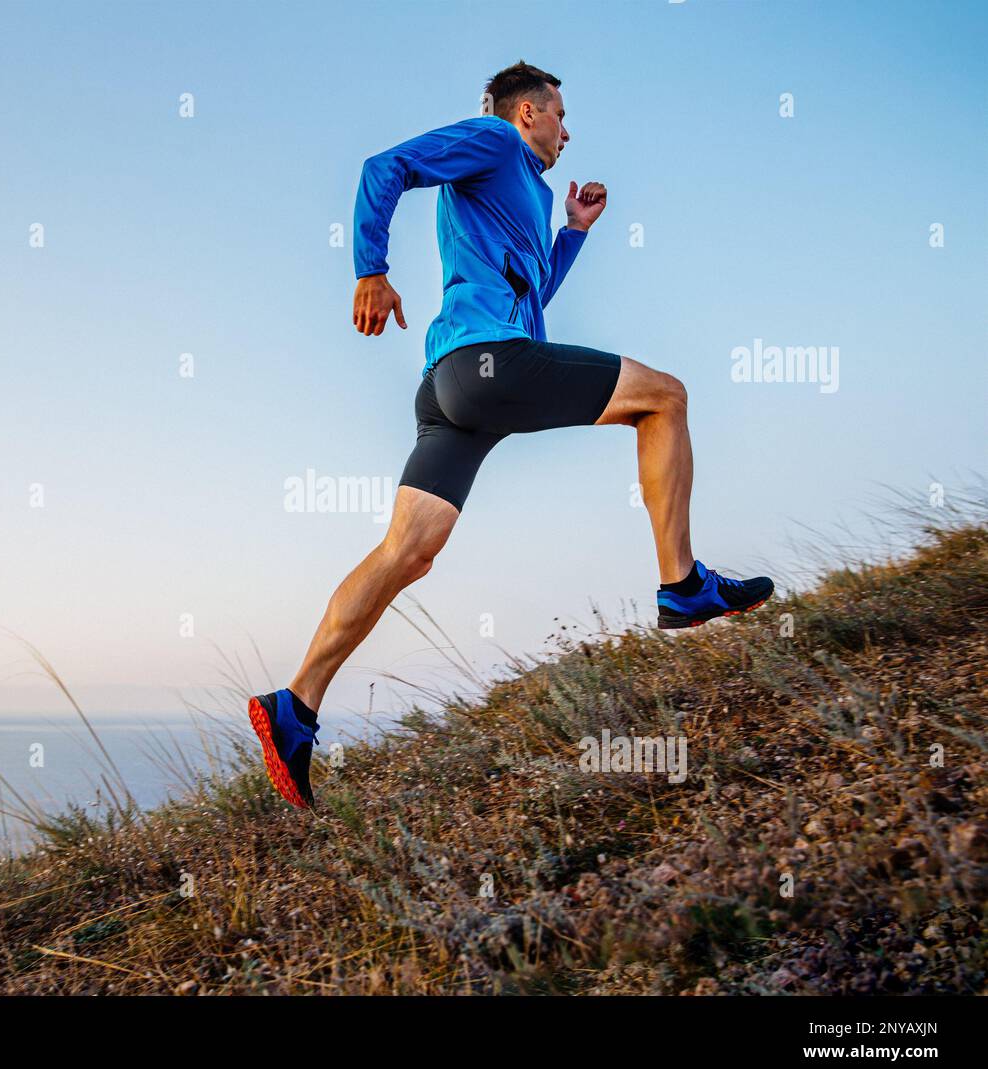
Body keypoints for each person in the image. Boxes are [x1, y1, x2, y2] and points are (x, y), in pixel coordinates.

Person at [249, 61, 773, 809]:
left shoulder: (523, 191)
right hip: (485, 365)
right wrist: (370, 269)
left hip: (456, 385)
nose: (569, 130)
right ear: (528, 112)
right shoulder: (495, 140)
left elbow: (532, 300)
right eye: (561, 115)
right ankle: (682, 585)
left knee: (408, 552)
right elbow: (384, 165)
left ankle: (293, 707)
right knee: (665, 400)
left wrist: (573, 233)